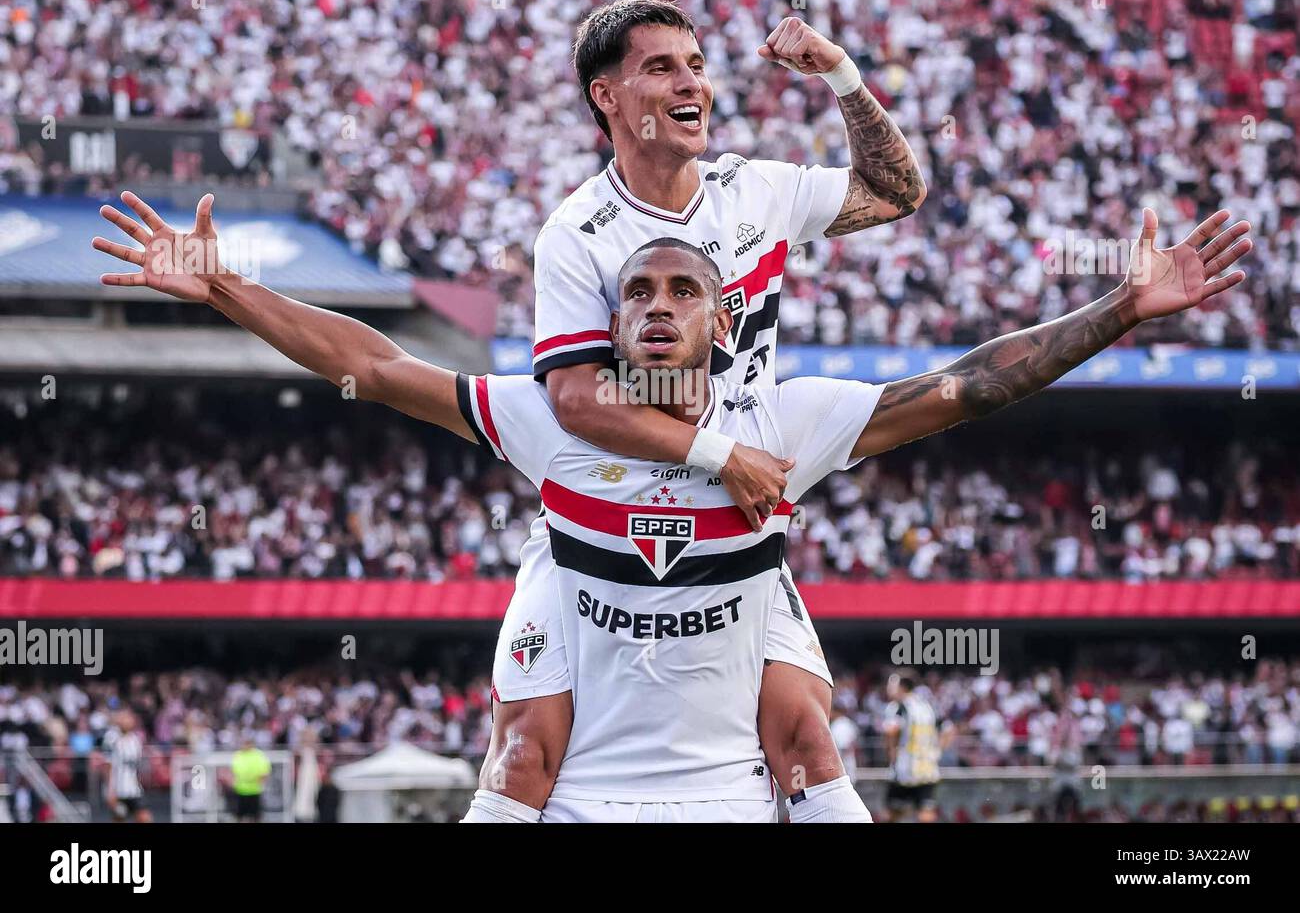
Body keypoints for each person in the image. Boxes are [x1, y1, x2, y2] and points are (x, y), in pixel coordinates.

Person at [91, 189, 1249, 819]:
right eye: (634, 286)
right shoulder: (550, 417)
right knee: (516, 754)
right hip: (581, 781)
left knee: (804, 733)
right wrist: (228, 288)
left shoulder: (783, 427)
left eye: (681, 287)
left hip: (728, 787)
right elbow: (377, 363)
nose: (653, 301)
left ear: (721, 322)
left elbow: (966, 383)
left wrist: (1118, 310)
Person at [485, 0, 926, 823]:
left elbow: (898, 191)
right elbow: (577, 399)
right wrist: (722, 456)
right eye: (661, 67)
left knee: (809, 743)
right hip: (613, 512)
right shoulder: (578, 232)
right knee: (524, 759)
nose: (691, 83)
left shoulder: (754, 189)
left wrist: (839, 73)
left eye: (696, 64)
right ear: (606, 97)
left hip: (741, 514)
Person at [882, 670, 945, 822]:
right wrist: (937, 750)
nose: (889, 689)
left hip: (904, 769)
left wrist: (891, 755)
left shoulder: (898, 707)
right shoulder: (927, 706)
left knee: (892, 813)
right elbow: (948, 729)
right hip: (927, 768)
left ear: (902, 687)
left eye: (892, 685)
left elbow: (891, 731)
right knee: (926, 813)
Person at [102, 709, 151, 823]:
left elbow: (136, 766)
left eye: (129, 718)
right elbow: (107, 765)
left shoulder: (135, 740)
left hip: (134, 790)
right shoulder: (111, 738)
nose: (127, 721)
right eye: (123, 718)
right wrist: (109, 791)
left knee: (145, 818)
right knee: (119, 818)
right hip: (118, 790)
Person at [230, 733, 272, 822]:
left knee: (255, 816)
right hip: (241, 790)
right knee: (239, 816)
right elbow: (234, 771)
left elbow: (265, 771)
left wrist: (259, 780)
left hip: (255, 790)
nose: (245, 745)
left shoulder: (258, 755)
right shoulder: (238, 755)